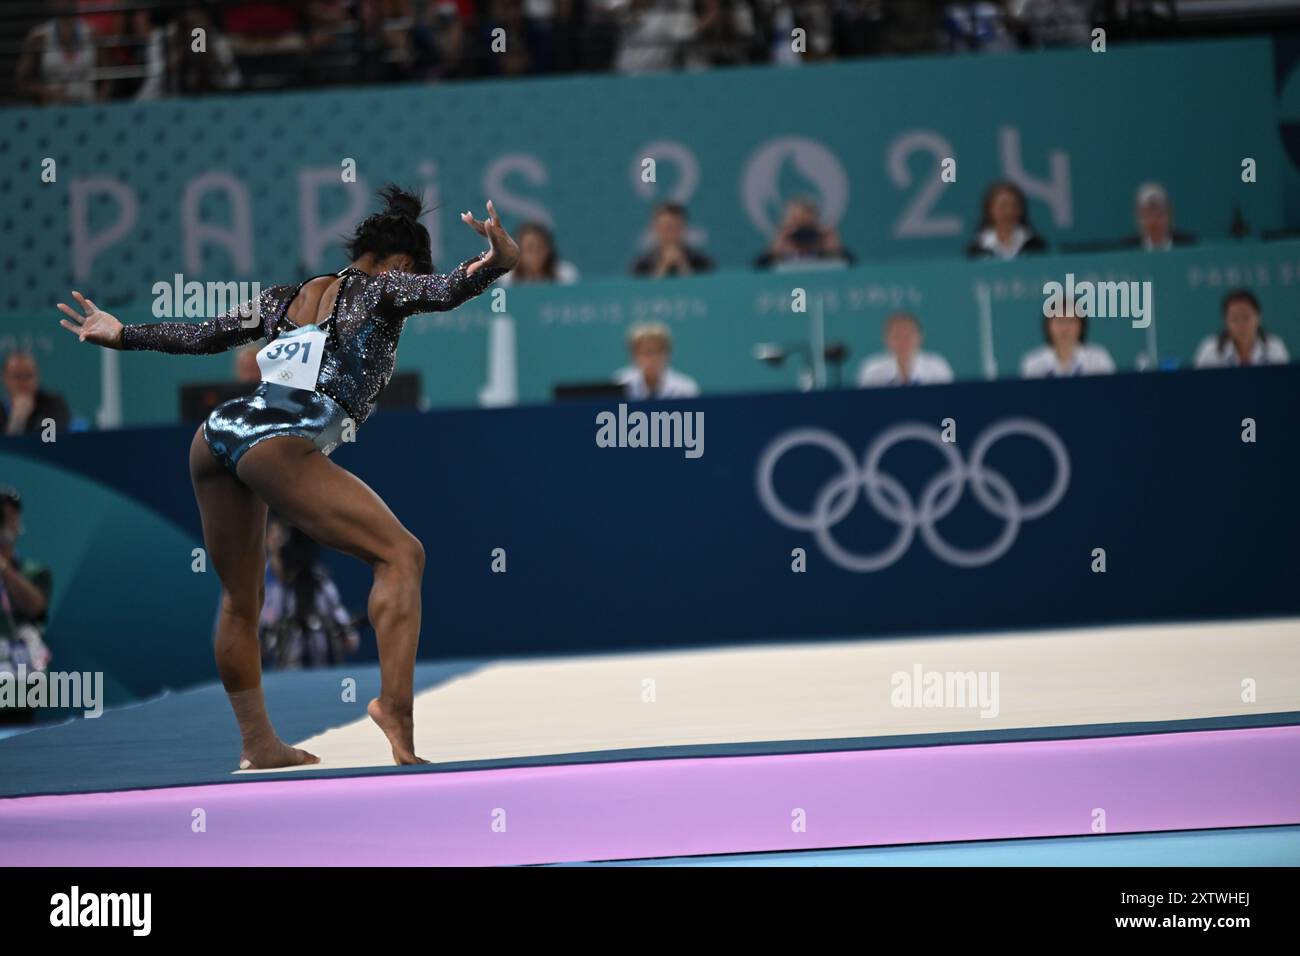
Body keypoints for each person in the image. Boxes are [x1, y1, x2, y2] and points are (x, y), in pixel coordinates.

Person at [57, 185, 519, 768]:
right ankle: (394, 709)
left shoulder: (283, 297)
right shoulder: (384, 288)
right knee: (402, 556)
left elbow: (201, 335)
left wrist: (123, 333)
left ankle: (258, 745)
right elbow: (449, 289)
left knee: (240, 599)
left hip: (218, 432)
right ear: (402, 262)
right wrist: (499, 261)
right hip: (278, 441)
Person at [260, 518, 360, 669]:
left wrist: (339, 632)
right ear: (267, 541)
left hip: (321, 675)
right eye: (277, 539)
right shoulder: (256, 585)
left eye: (285, 539)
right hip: (281, 679)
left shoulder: (320, 582)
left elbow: (351, 642)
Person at [0, 487, 54, 725]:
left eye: (12, 514)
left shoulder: (35, 572)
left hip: (18, 685)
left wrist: (3, 568)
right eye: (2, 515)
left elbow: (35, 607)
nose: (7, 520)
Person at [1194, 289, 1289, 369]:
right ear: (1225, 321)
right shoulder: (1210, 351)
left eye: (1246, 317)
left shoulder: (1274, 348)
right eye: (1234, 318)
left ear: (1258, 317)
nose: (1241, 324)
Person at [856, 312, 954, 387]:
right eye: (896, 336)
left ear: (920, 337)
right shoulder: (872, 371)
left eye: (908, 335)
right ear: (886, 340)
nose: (903, 341)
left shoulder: (937, 367)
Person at [755, 197, 854, 270]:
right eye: (795, 223)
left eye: (806, 224)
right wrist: (774, 252)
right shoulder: (772, 261)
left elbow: (856, 273)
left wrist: (836, 251)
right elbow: (753, 278)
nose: (801, 234)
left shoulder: (832, 257)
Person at [1020, 302, 1116, 378]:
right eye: (1059, 321)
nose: (1065, 328)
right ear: (1048, 326)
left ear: (1081, 326)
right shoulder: (1033, 362)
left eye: (1071, 321)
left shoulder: (1099, 359)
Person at [965, 180, 1048, 260]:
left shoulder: (1036, 245)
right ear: (989, 209)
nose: (1010, 212)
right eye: (1003, 206)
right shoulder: (977, 249)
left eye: (1015, 206)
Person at [615, 322, 699, 398]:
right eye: (647, 352)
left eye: (659, 351)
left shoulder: (685, 389)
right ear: (634, 355)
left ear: (668, 353)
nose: (654, 357)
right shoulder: (619, 384)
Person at [630, 203, 714, 278]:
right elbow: (641, 293)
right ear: (655, 229)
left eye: (677, 227)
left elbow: (705, 292)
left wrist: (683, 266)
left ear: (685, 228)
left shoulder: (703, 263)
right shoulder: (641, 265)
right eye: (667, 228)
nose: (671, 234)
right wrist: (663, 267)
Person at [1, 351, 71, 437]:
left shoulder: (53, 404)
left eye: (28, 375)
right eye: (17, 376)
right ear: (5, 378)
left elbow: (55, 440)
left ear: (37, 377)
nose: (23, 382)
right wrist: (17, 421)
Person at [1120, 183, 1195, 251]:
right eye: (1147, 216)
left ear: (1169, 215)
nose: (1154, 222)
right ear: (1138, 217)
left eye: (1158, 215)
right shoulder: (1127, 249)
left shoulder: (1189, 246)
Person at [498, 223, 579, 286]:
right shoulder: (507, 279)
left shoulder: (566, 274)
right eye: (530, 248)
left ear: (549, 249)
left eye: (541, 247)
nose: (536, 253)